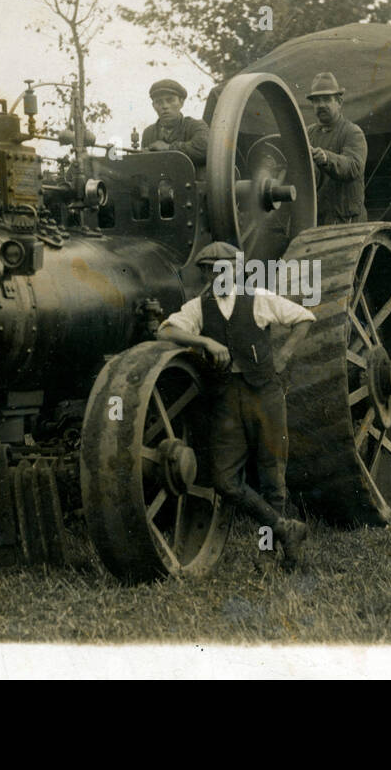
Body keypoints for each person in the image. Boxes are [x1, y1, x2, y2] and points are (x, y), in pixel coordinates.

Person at [157, 241, 316, 569]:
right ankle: (286, 529)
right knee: (225, 480)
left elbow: (304, 317)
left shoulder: (258, 299)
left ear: (238, 270)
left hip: (265, 395)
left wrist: (284, 355)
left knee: (272, 477)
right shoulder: (200, 308)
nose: (220, 276)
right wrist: (204, 340)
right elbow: (165, 329)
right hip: (228, 398)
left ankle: (270, 551)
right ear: (205, 275)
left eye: (225, 269)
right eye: (212, 271)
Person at [306, 72, 368, 224]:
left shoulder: (352, 132)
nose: (321, 105)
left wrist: (326, 158)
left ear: (339, 102)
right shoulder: (308, 133)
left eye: (326, 99)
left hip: (346, 222)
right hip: (316, 220)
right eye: (316, 101)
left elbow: (353, 167)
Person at [141, 79, 209, 166]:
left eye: (170, 100)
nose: (165, 106)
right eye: (159, 102)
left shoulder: (196, 126)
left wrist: (168, 148)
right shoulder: (149, 133)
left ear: (181, 102)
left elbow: (204, 149)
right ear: (153, 106)